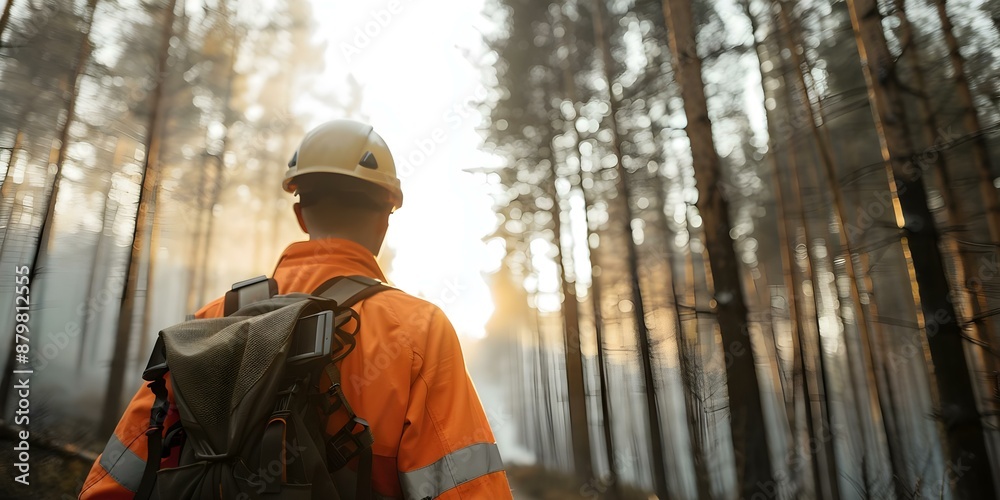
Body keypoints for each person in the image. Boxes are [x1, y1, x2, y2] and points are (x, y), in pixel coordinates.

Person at [80, 119, 513, 499]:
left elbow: (114, 484)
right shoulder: (420, 330)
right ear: (386, 218)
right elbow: (467, 490)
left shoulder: (209, 323)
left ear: (301, 214)